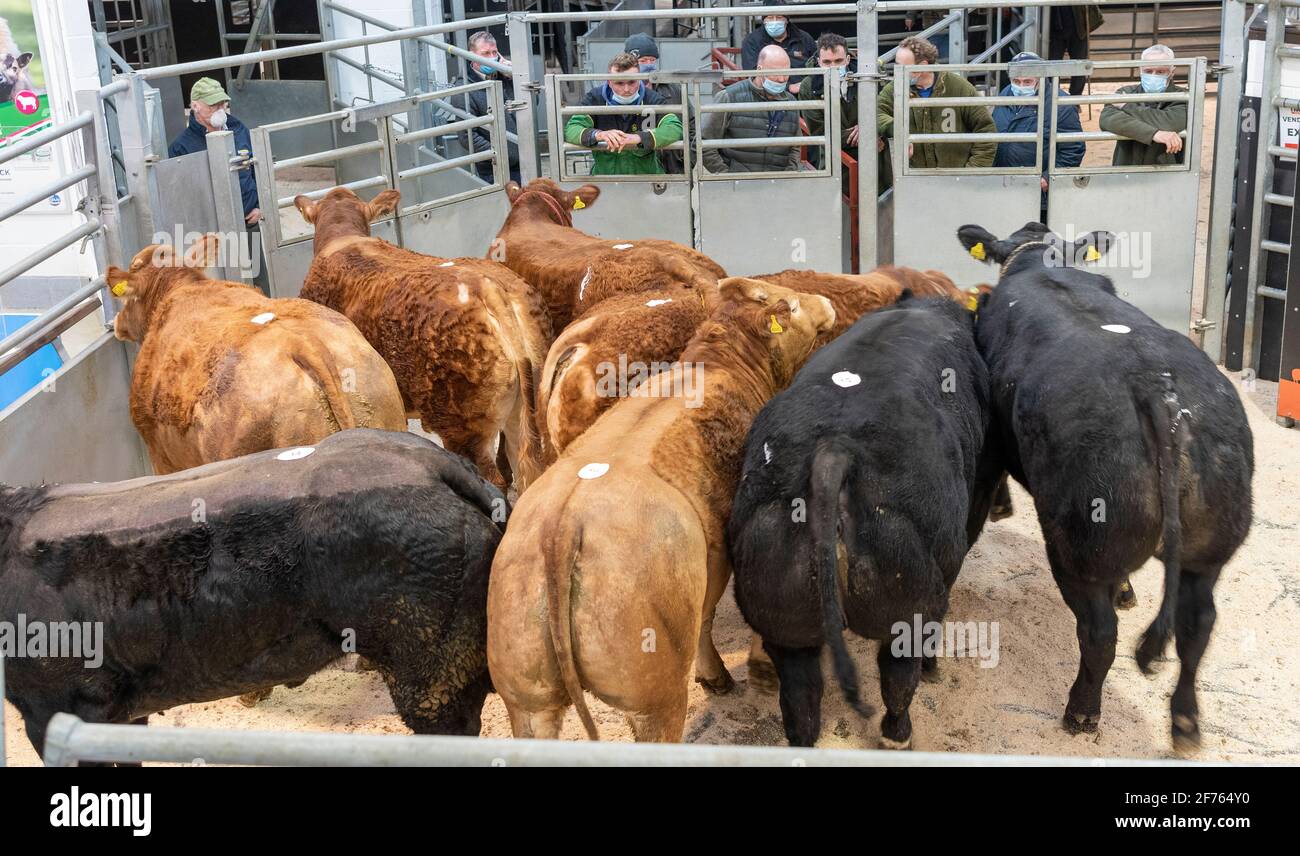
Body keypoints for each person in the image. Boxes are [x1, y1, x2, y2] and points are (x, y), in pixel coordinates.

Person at [877, 36, 996, 171]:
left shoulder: (959, 87)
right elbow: (877, 111)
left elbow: (986, 130)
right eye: (896, 66)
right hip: (916, 179)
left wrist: (972, 171)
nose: (897, 72)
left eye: (902, 67)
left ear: (923, 66)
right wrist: (898, 130)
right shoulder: (896, 87)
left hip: (957, 180)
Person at [992, 52, 1085, 218]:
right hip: (1003, 185)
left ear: (1041, 79)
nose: (1020, 86)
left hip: (1038, 191)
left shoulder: (1061, 104)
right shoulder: (1006, 93)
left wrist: (1047, 177)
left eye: (1027, 81)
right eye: (1016, 81)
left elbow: (1074, 147)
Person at [564, 52, 683, 176]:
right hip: (605, 180)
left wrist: (641, 138)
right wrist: (598, 135)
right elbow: (571, 129)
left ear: (640, 79)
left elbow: (674, 127)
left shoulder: (652, 99)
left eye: (632, 82)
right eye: (619, 83)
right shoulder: (595, 99)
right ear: (609, 82)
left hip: (647, 180)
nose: (626, 89)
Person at [168, 77, 260, 225]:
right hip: (211, 230)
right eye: (213, 105)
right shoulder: (181, 148)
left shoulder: (239, 128)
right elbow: (181, 198)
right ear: (195, 106)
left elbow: (258, 168)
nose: (220, 109)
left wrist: (259, 206)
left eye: (222, 103)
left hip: (250, 221)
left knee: (254, 248)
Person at [702, 45, 801, 174]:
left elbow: (795, 145)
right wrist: (727, 176)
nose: (782, 79)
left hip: (777, 186)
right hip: (737, 186)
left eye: (786, 72)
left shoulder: (791, 102)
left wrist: (789, 173)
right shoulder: (729, 97)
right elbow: (704, 143)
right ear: (760, 70)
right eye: (775, 72)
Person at [1099, 44, 1187, 166]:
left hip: (1167, 170)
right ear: (1140, 70)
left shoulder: (1182, 96)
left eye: (1160, 71)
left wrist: (1126, 107)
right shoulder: (1126, 92)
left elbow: (1170, 122)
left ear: (1172, 72)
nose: (1153, 75)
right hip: (1127, 168)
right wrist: (1155, 134)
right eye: (1148, 71)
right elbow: (1108, 119)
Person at [465, 30, 521, 185]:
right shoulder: (465, 87)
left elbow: (531, 104)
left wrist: (515, 77)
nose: (491, 58)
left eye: (494, 52)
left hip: (522, 161)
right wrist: (499, 152)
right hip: (492, 169)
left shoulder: (506, 77)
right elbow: (467, 135)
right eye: (485, 54)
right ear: (472, 56)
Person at [625, 32, 685, 173]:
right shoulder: (621, 91)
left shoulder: (672, 88)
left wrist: (688, 159)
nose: (649, 65)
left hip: (673, 166)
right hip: (637, 168)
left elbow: (691, 123)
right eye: (643, 60)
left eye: (652, 60)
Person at [798, 33, 858, 171]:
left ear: (848, 59)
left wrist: (870, 129)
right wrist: (867, 135)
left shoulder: (867, 79)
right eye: (827, 62)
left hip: (877, 159)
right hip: (834, 162)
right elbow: (819, 131)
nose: (833, 67)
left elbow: (882, 112)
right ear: (818, 61)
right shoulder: (809, 86)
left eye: (838, 61)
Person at [741, 0, 816, 82]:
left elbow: (817, 67)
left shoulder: (804, 39)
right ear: (764, 21)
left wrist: (803, 86)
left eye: (779, 17)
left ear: (787, 20)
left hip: (801, 93)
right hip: (766, 91)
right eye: (770, 17)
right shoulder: (752, 41)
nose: (774, 21)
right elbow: (752, 76)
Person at [1048, 4, 1104, 96]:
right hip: (1055, 28)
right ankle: (1054, 97)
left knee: (1080, 65)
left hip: (1078, 28)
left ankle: (1075, 99)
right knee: (1052, 66)